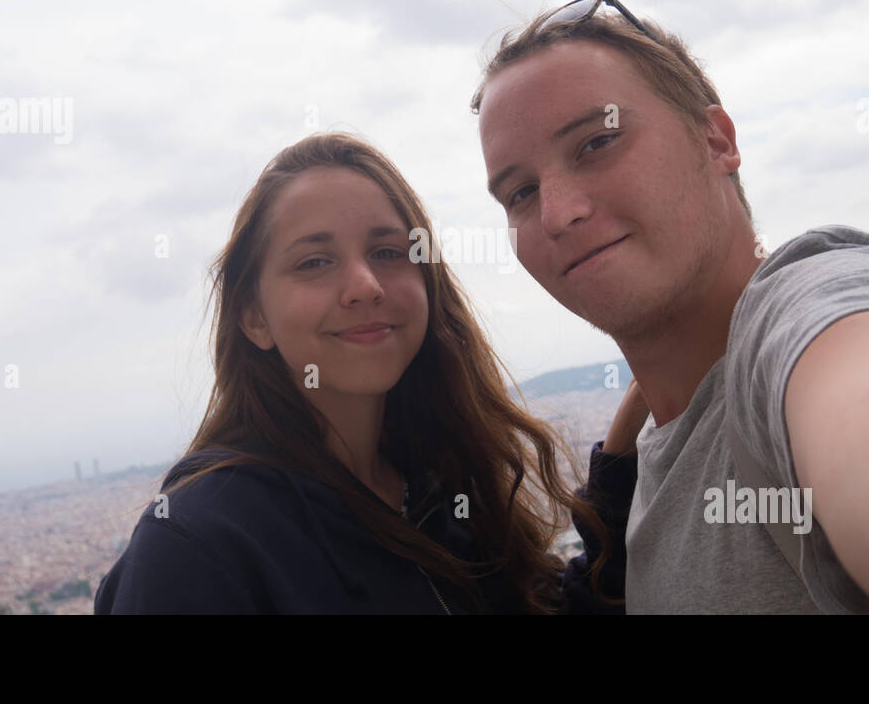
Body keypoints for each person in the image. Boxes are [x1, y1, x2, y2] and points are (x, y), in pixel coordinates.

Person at [471, 0, 869, 614]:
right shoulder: (655, 451)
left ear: (716, 140)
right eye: (520, 192)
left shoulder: (805, 313)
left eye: (595, 142)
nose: (556, 213)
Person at [95, 132, 640, 614]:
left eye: (387, 251)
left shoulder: (438, 485)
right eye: (315, 262)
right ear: (254, 317)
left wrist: (625, 461)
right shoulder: (199, 547)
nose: (365, 285)